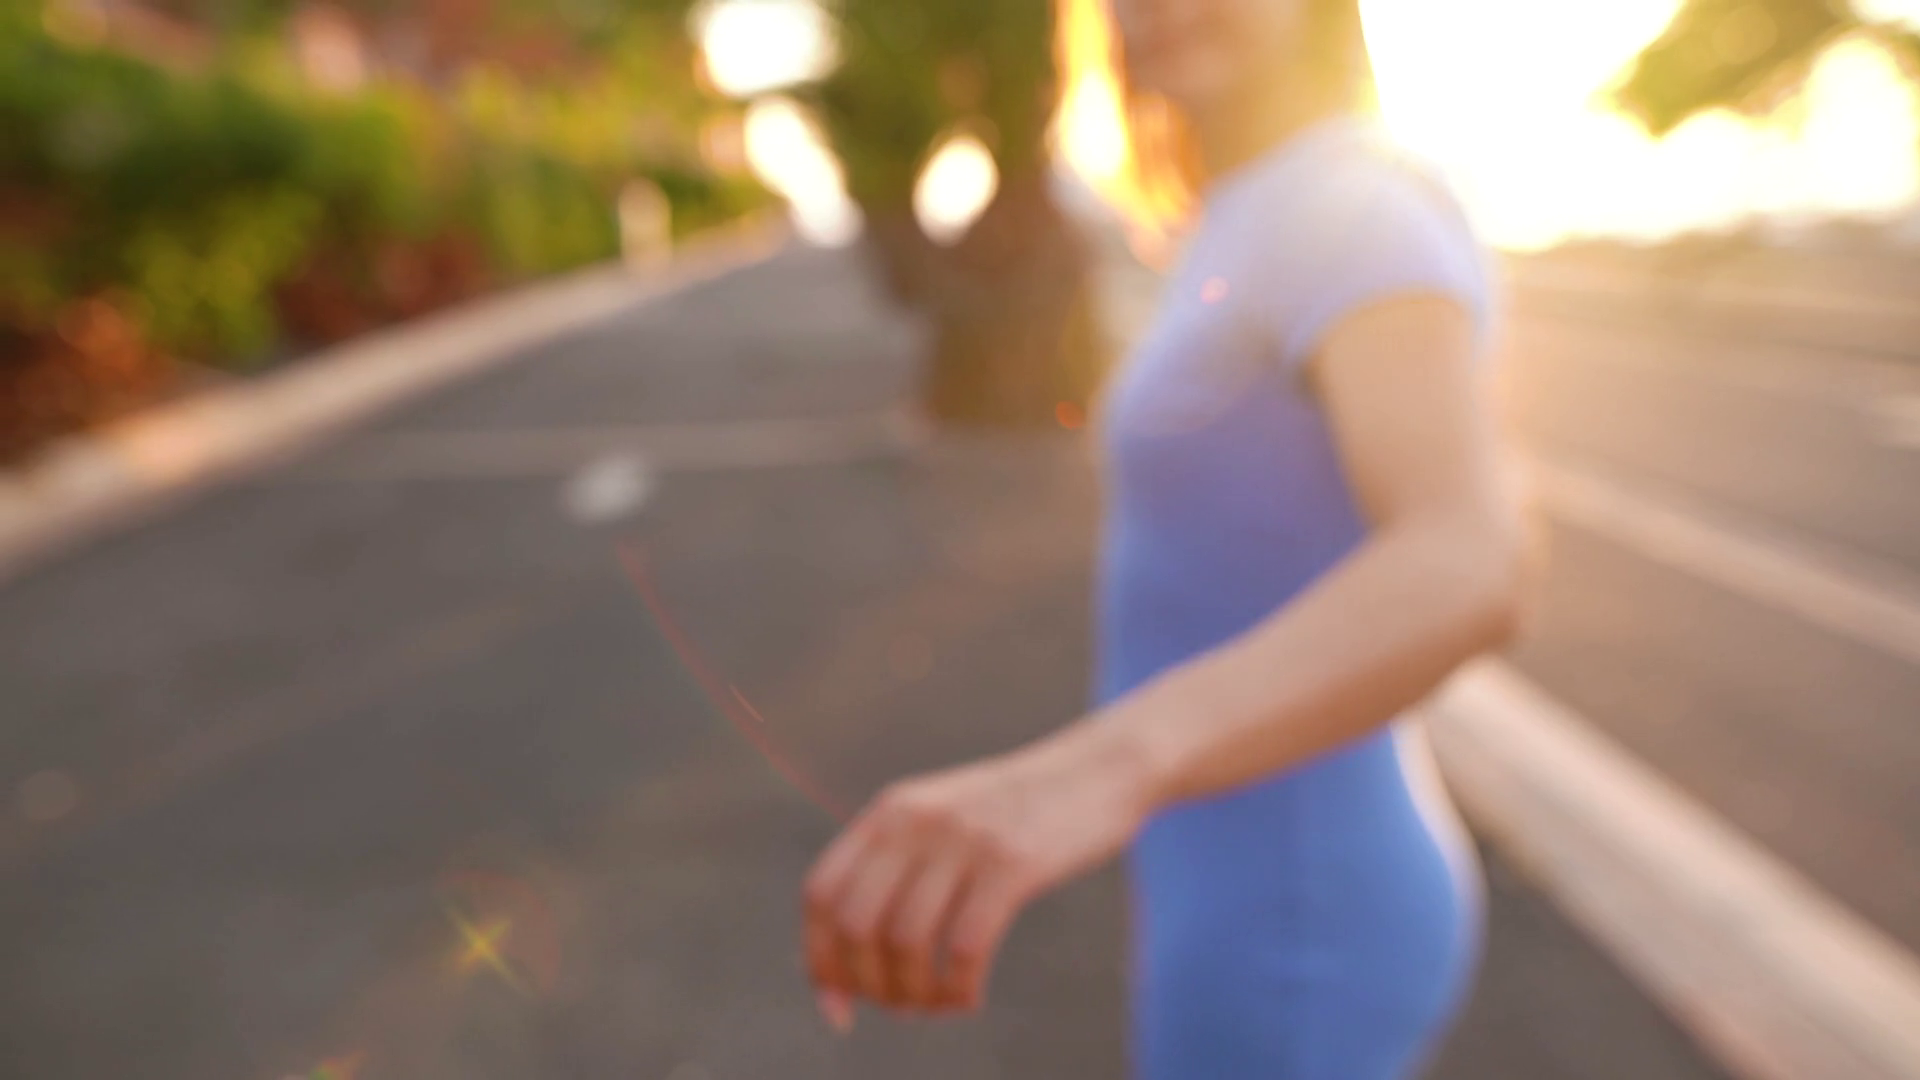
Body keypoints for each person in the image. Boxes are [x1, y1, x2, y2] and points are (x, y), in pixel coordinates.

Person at [800, 0, 1532, 1075]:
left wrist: (1096, 771)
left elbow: (1472, 555)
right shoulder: (1251, 207)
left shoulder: (1355, 205)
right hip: (1230, 879)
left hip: (1301, 915)